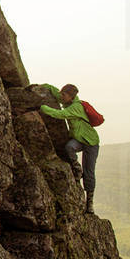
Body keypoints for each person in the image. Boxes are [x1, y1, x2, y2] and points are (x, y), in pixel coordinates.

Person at [37, 83, 98, 214]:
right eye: (62, 94)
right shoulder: (67, 100)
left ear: (71, 97)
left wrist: (43, 108)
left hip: (91, 142)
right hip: (78, 140)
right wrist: (45, 86)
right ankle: (77, 168)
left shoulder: (76, 107)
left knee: (89, 172)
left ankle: (90, 203)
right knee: (69, 147)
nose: (61, 97)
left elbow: (60, 114)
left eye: (64, 95)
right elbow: (56, 93)